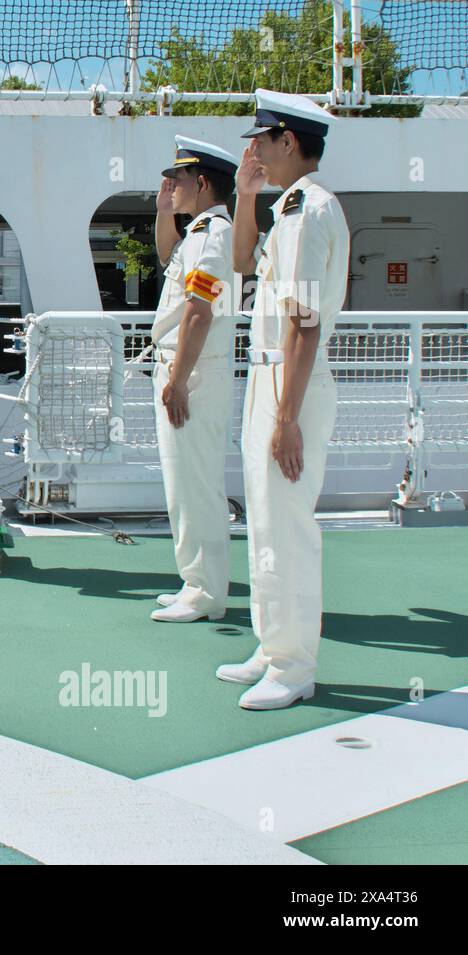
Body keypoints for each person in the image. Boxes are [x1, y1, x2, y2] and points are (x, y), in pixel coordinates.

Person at [220, 88, 348, 710]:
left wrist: (287, 418)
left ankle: (295, 665)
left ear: (288, 142)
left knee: (287, 528)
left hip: (288, 385)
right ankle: (273, 647)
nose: (254, 150)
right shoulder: (286, 209)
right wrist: (245, 194)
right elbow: (242, 261)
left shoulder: (306, 212)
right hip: (272, 381)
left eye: (262, 141)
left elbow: (304, 322)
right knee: (265, 522)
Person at [149, 136, 239, 624]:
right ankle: (194, 581)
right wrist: (165, 211)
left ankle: (206, 591)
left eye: (177, 179)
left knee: (197, 483)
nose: (171, 184)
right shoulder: (200, 232)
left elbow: (200, 314)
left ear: (201, 183)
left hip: (195, 372)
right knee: (182, 482)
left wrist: (179, 379)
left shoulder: (213, 236)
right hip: (186, 368)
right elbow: (169, 260)